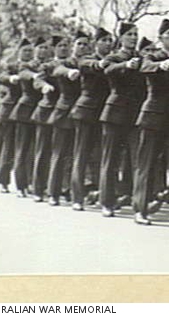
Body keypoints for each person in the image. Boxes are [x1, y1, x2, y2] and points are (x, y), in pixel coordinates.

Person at [133, 18, 169, 225]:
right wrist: (160, 65)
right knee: (146, 165)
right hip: (153, 118)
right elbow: (144, 66)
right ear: (161, 38)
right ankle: (140, 209)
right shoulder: (152, 56)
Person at [98, 22, 145, 217]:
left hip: (135, 115)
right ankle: (107, 202)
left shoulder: (142, 58)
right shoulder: (113, 57)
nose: (134, 38)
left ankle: (139, 204)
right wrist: (125, 65)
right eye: (130, 35)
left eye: (136, 34)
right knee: (110, 160)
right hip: (115, 114)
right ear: (122, 38)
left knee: (138, 161)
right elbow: (108, 69)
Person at [68, 27, 113, 211]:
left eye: (110, 40)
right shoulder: (88, 59)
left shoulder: (115, 59)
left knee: (102, 156)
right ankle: (77, 197)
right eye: (104, 40)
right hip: (86, 113)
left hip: (105, 113)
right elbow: (92, 66)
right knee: (81, 155)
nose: (108, 44)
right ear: (96, 43)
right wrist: (103, 64)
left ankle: (102, 197)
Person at [47, 31, 87, 206]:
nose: (82, 47)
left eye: (86, 44)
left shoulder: (88, 63)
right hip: (64, 113)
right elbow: (58, 70)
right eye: (79, 44)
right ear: (73, 46)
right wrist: (70, 72)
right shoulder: (66, 63)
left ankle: (74, 194)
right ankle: (53, 193)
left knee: (77, 156)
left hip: (83, 114)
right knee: (59, 154)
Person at [9, 37, 51, 197]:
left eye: (45, 48)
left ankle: (36, 184)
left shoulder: (46, 65)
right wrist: (35, 76)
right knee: (22, 149)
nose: (42, 51)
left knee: (38, 150)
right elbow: (24, 73)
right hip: (25, 111)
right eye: (40, 48)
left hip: (41, 111)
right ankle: (21, 186)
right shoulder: (26, 65)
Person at [30, 35, 67, 202]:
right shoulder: (49, 65)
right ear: (54, 49)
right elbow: (37, 80)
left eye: (66, 45)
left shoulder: (72, 64)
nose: (64, 48)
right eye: (60, 46)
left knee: (59, 153)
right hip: (46, 111)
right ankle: (38, 189)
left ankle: (55, 192)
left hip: (62, 114)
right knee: (42, 151)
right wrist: (44, 86)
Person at [0, 56, 22, 193]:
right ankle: (4, 181)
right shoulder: (14, 65)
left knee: (22, 149)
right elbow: (1, 77)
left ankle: (23, 184)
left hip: (26, 113)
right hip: (9, 112)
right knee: (8, 147)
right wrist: (11, 78)